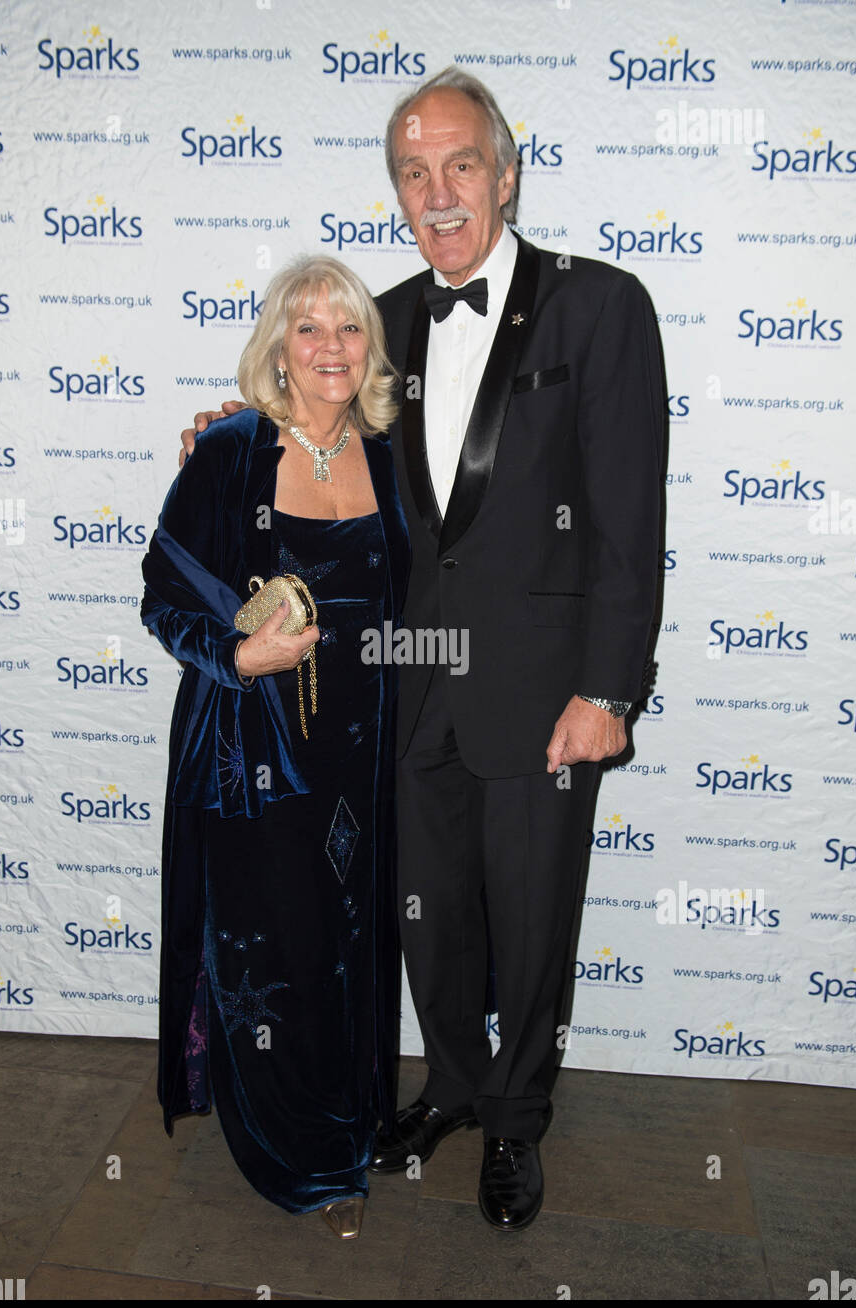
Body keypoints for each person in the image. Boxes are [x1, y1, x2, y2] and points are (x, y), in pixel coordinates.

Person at [180, 67, 666, 1231]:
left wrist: (606, 687)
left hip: (545, 691)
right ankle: (451, 1085)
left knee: (534, 913)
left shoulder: (599, 305)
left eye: (459, 165)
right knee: (425, 909)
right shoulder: (385, 317)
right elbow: (314, 427)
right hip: (403, 691)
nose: (437, 191)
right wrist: (233, 434)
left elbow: (627, 518)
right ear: (395, 189)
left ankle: (517, 1120)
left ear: (506, 171)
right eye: (412, 171)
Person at [142, 254, 410, 1240]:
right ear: (278, 350)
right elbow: (163, 594)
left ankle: (348, 1123)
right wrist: (239, 651)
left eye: (347, 330)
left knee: (349, 952)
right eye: (308, 329)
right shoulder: (234, 453)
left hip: (360, 757)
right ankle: (303, 1157)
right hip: (254, 758)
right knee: (280, 954)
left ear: (367, 350)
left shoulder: (387, 456)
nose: (330, 348)